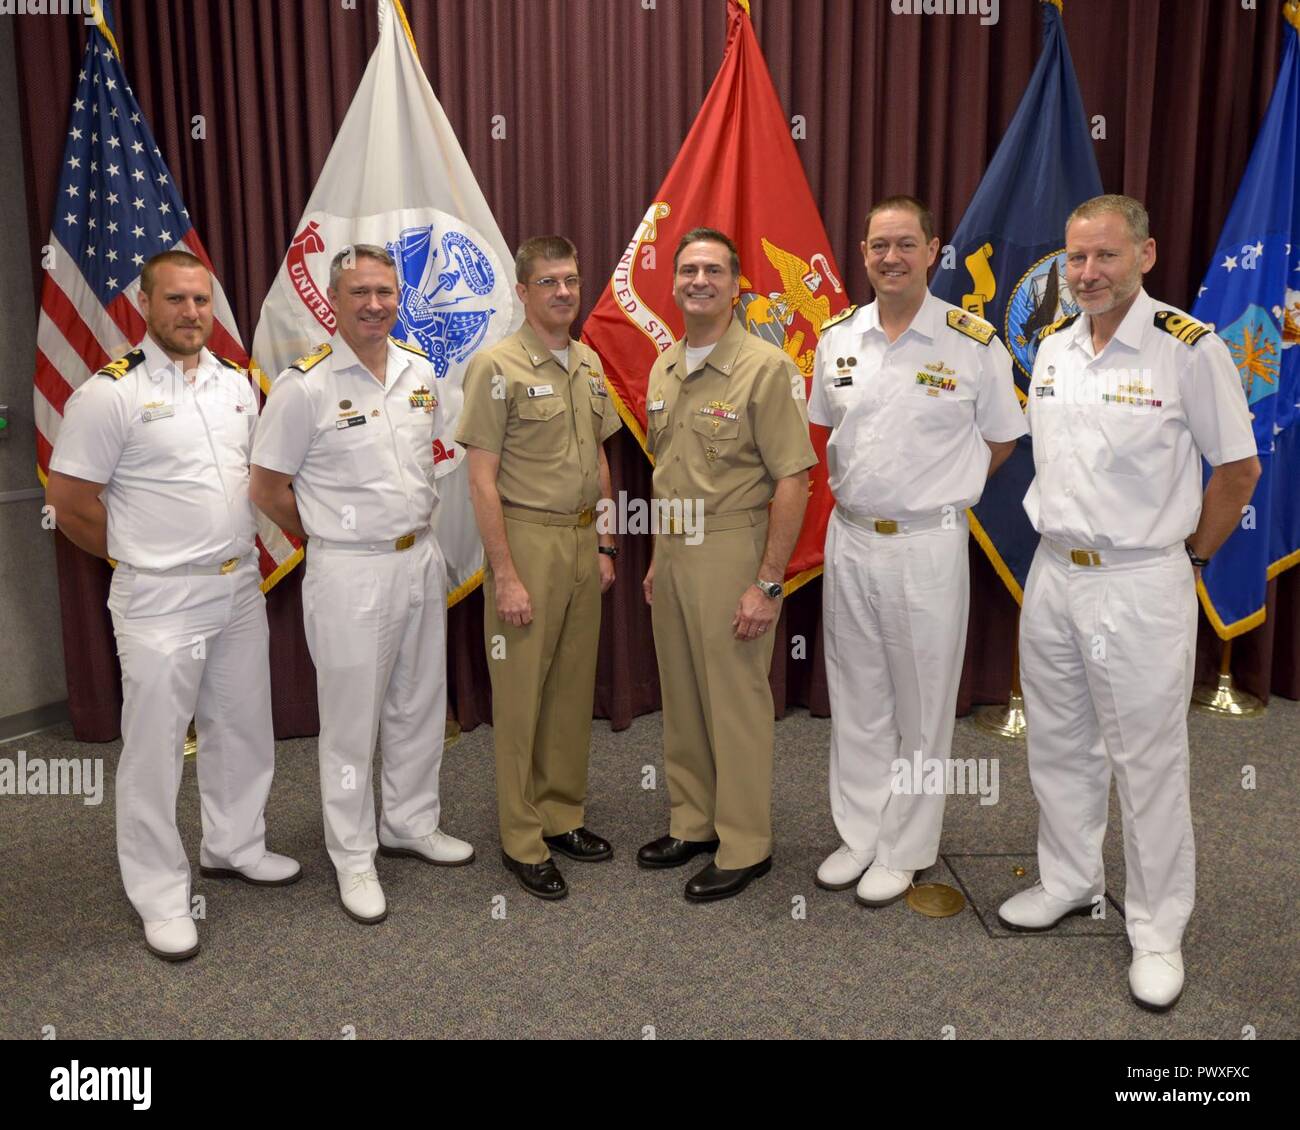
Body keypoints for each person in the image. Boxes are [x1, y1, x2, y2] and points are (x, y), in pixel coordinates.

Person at [997, 195, 1259, 1012]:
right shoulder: (1052, 349)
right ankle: (1070, 880)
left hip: (1141, 579)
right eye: (1075, 259)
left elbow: (1238, 470)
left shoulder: (1189, 349)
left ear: (1145, 255)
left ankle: (1155, 927)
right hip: (1054, 575)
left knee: (1147, 762)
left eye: (1105, 256)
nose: (1087, 274)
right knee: (1061, 743)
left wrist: (1194, 560)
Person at [46, 250, 300, 962]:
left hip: (238, 585)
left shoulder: (236, 384)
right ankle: (160, 893)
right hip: (159, 597)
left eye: (201, 300)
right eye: (176, 300)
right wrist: (143, 556)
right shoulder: (108, 394)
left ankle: (234, 844)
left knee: (243, 725)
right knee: (156, 750)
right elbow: (69, 506)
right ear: (145, 307)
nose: (191, 313)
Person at [808, 196, 1026, 906]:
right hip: (852, 538)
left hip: (928, 544)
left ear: (934, 251)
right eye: (878, 245)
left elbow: (1002, 440)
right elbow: (824, 432)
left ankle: (906, 847)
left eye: (906, 244)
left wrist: (946, 490)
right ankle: (862, 831)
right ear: (863, 252)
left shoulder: (973, 342)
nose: (891, 257)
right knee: (858, 695)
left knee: (924, 704)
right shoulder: (837, 337)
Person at [250, 244, 473, 926]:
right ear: (334, 300)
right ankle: (352, 853)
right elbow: (266, 487)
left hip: (419, 557)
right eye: (359, 293)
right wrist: (325, 531)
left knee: (417, 702)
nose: (374, 304)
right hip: (349, 570)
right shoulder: (304, 386)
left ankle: (409, 821)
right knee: (351, 723)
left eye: (384, 291)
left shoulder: (419, 372)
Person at [637, 228, 817, 902]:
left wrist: (768, 583)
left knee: (736, 700)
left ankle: (745, 842)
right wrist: (658, 558)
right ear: (675, 282)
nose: (699, 280)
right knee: (682, 695)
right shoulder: (664, 365)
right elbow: (666, 472)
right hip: (677, 548)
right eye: (688, 269)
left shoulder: (764, 368)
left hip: (734, 547)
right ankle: (693, 822)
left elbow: (794, 480)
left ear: (738, 283)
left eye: (714, 269)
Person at [456, 235, 620, 901]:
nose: (563, 292)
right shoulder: (496, 366)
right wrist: (507, 575)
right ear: (522, 292)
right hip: (527, 542)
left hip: (583, 544)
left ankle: (561, 815)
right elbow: (481, 482)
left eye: (571, 280)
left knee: (570, 691)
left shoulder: (587, 361)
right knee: (522, 698)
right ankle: (522, 838)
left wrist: (607, 545)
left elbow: (603, 460)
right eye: (548, 281)